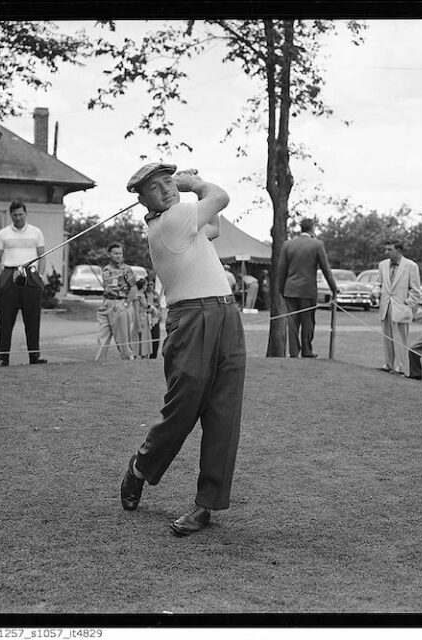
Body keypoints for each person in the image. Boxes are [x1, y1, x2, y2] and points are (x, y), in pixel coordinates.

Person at [120, 162, 246, 537]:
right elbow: (220, 197)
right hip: (191, 318)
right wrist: (195, 183)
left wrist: (190, 191)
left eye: (169, 182)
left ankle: (205, 506)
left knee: (224, 414)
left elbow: (215, 226)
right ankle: (141, 467)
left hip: (226, 314)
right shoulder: (170, 222)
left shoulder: (183, 220)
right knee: (182, 409)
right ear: (144, 201)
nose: (167, 189)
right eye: (156, 187)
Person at [0, 200, 48, 367]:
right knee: (6, 320)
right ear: (11, 215)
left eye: (20, 214)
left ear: (25, 213)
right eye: (15, 215)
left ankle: (34, 356)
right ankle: (3, 358)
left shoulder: (36, 232)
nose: (18, 218)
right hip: (10, 274)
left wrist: (41, 275)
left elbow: (42, 256)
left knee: (32, 320)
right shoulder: (3, 233)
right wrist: (0, 277)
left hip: (30, 274)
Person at [276, 218, 337, 358]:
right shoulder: (317, 245)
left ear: (300, 228)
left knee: (292, 322)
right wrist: (333, 288)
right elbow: (326, 269)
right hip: (307, 290)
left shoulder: (287, 245)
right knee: (308, 320)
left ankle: (293, 352)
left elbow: (281, 270)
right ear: (312, 228)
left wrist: (281, 289)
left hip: (290, 289)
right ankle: (307, 351)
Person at [374, 239, 421, 374]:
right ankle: (388, 364)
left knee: (400, 338)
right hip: (385, 306)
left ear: (399, 250)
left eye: (390, 249)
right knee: (387, 337)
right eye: (386, 249)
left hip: (400, 308)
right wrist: (375, 292)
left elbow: (416, 290)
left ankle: (400, 367)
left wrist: (406, 304)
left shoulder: (411, 266)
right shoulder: (382, 265)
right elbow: (379, 283)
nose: (386, 252)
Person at [95, 243, 136, 361]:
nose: (118, 256)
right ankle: (99, 362)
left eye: (120, 253)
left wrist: (126, 304)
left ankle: (128, 362)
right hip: (107, 304)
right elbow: (106, 288)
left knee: (123, 339)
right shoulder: (106, 270)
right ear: (110, 255)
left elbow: (133, 288)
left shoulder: (126, 269)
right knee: (102, 336)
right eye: (116, 253)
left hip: (120, 304)